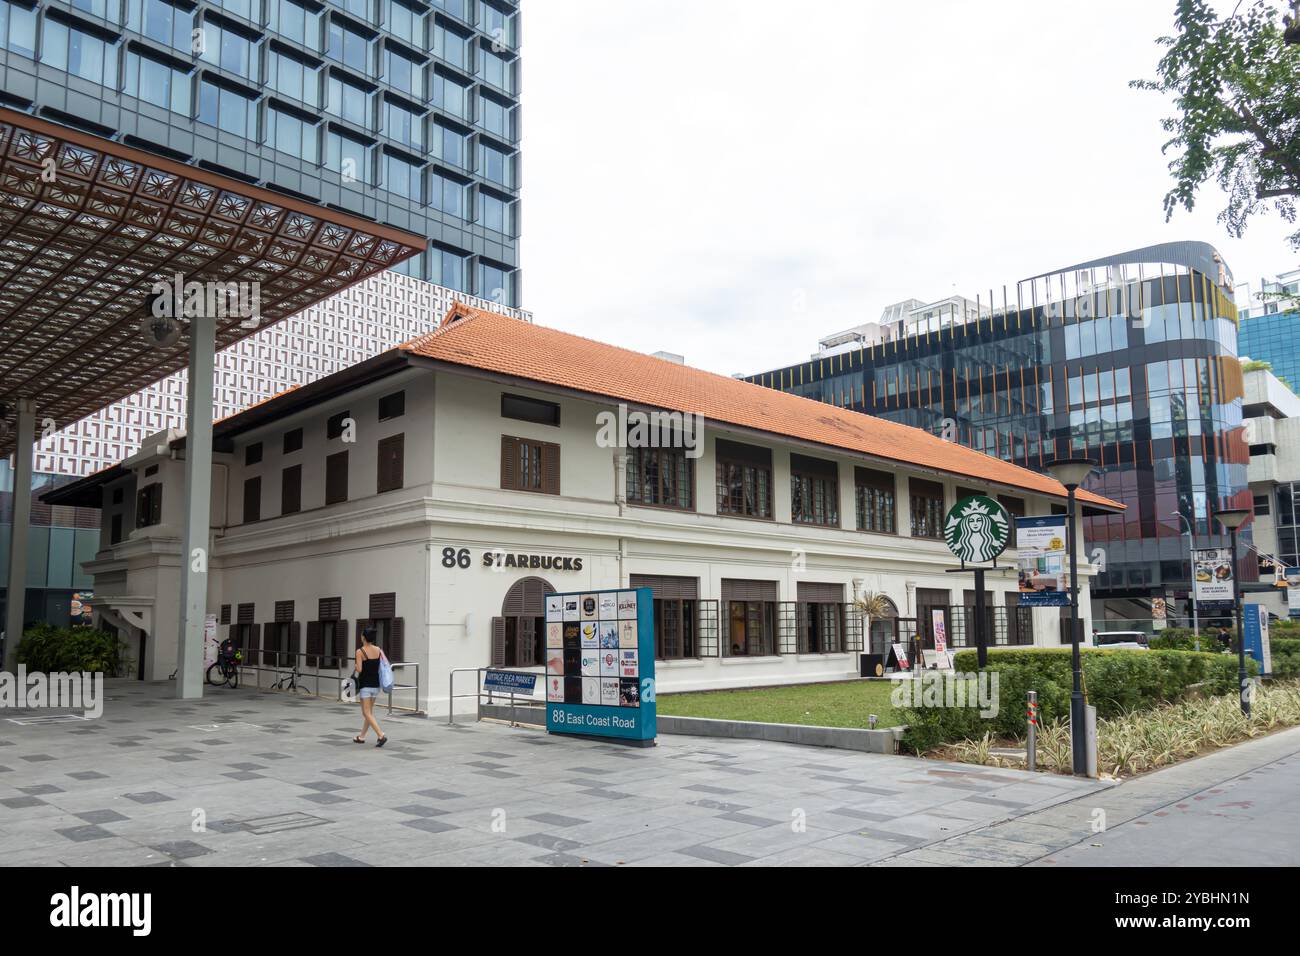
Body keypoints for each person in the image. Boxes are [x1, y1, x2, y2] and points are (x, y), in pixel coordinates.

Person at [352, 626, 387, 747]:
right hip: (375, 685)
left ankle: (381, 735)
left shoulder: (359, 651)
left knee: (366, 713)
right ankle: (362, 737)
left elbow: (359, 669)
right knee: (369, 713)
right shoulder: (378, 650)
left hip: (365, 685)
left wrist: (356, 666)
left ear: (364, 637)